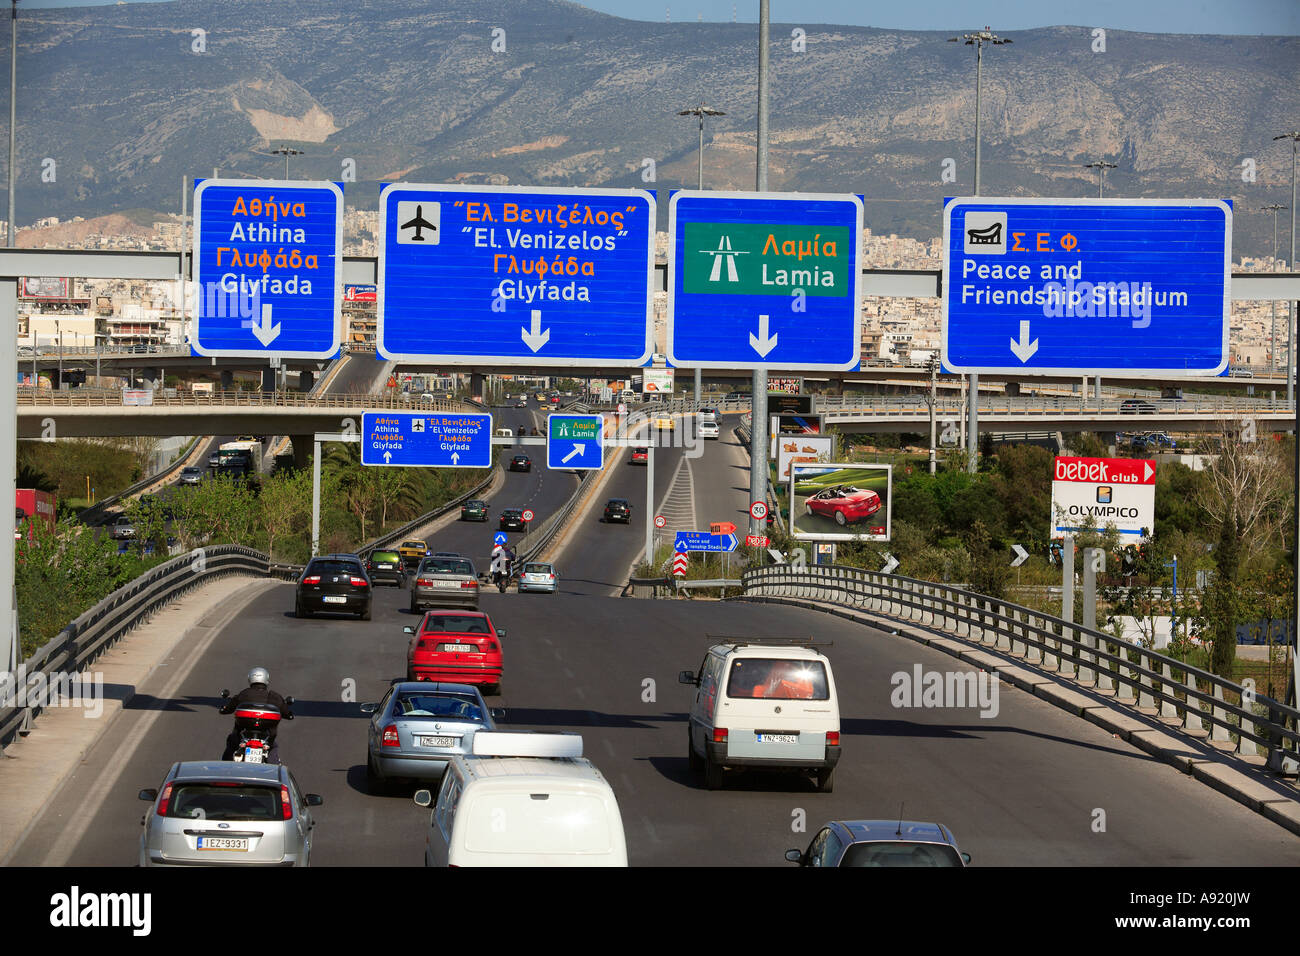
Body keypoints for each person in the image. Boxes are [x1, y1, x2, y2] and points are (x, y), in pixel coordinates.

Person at [220, 666, 293, 763]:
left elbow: (229, 708)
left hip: (242, 734)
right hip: (267, 737)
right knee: (272, 747)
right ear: (266, 679)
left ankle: (224, 767)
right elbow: (287, 713)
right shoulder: (274, 697)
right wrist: (289, 714)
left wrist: (224, 709)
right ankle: (275, 767)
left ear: (250, 678)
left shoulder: (244, 694)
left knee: (232, 741)